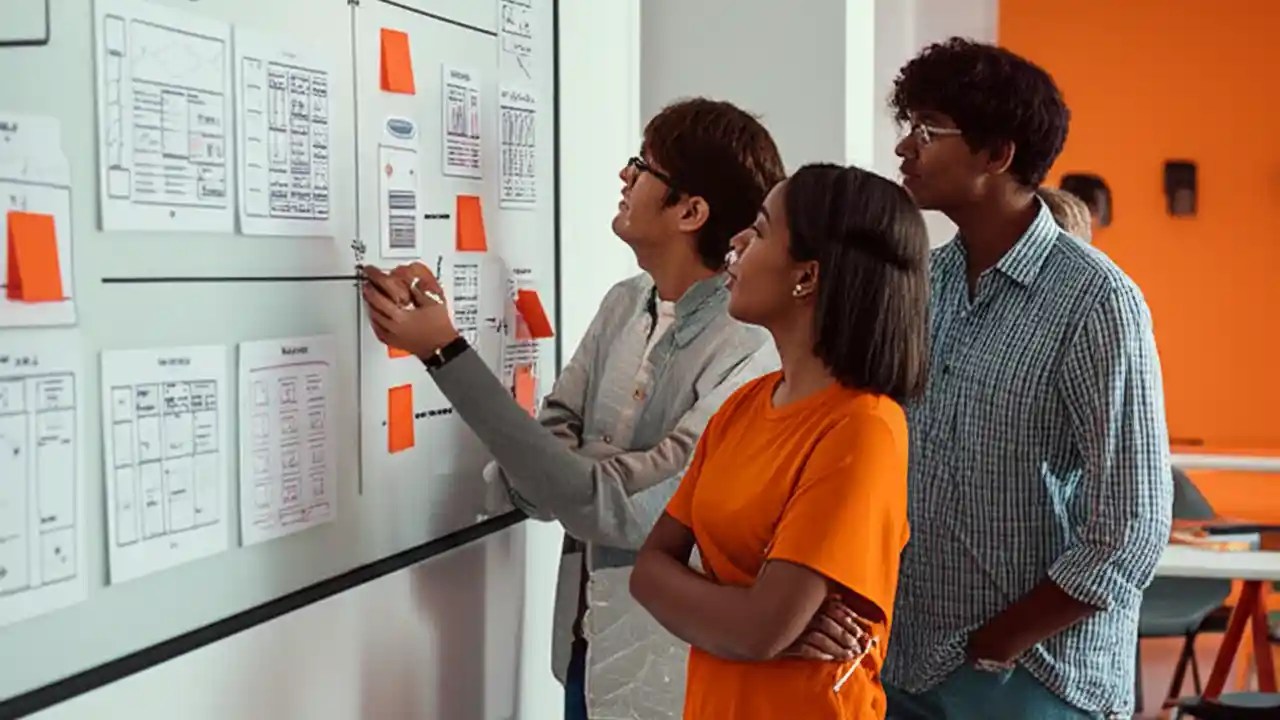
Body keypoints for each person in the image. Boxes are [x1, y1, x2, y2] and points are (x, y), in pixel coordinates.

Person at [362, 98, 812, 720]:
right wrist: (590, 473)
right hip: (584, 642)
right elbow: (549, 477)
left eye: (642, 166)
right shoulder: (624, 304)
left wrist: (446, 353)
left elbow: (626, 512)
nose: (625, 178)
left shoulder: (749, 351)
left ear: (690, 211)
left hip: (670, 672)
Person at [883, 37, 1172, 719]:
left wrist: (1001, 641)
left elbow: (1132, 524)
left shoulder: (1096, 300)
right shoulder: (925, 283)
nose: (905, 148)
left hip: (1031, 679)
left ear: (997, 154)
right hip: (907, 660)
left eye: (927, 130)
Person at [630, 163, 931, 719]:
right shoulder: (746, 404)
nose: (737, 241)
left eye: (761, 230)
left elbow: (755, 632)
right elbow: (647, 572)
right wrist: (752, 620)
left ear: (807, 277)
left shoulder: (862, 428)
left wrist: (747, 623)